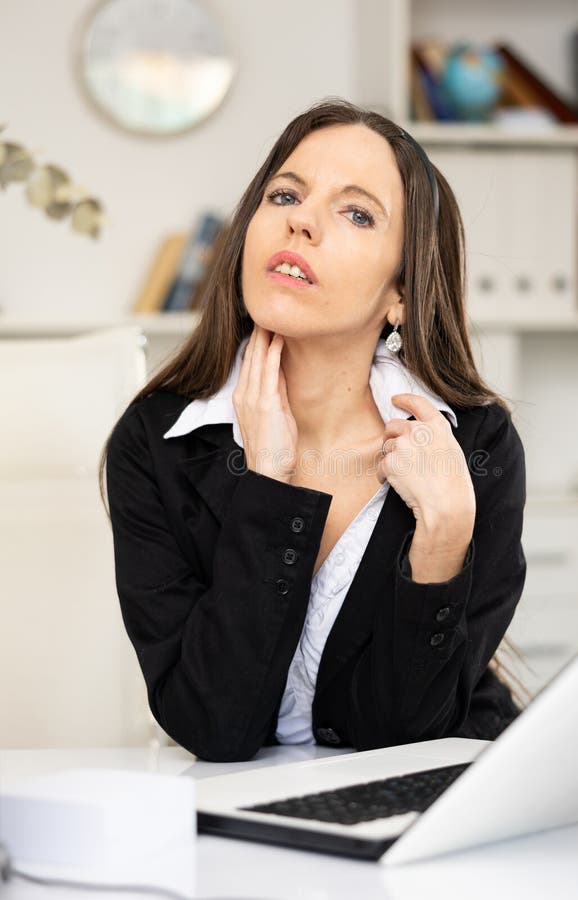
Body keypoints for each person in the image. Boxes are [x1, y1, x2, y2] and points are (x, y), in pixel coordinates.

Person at [99, 97, 529, 763]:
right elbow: (213, 724)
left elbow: (402, 738)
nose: (301, 221)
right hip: (241, 816)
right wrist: (268, 486)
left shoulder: (472, 444)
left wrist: (443, 539)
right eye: (285, 195)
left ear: (401, 295)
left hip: (436, 807)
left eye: (357, 213)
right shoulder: (157, 441)